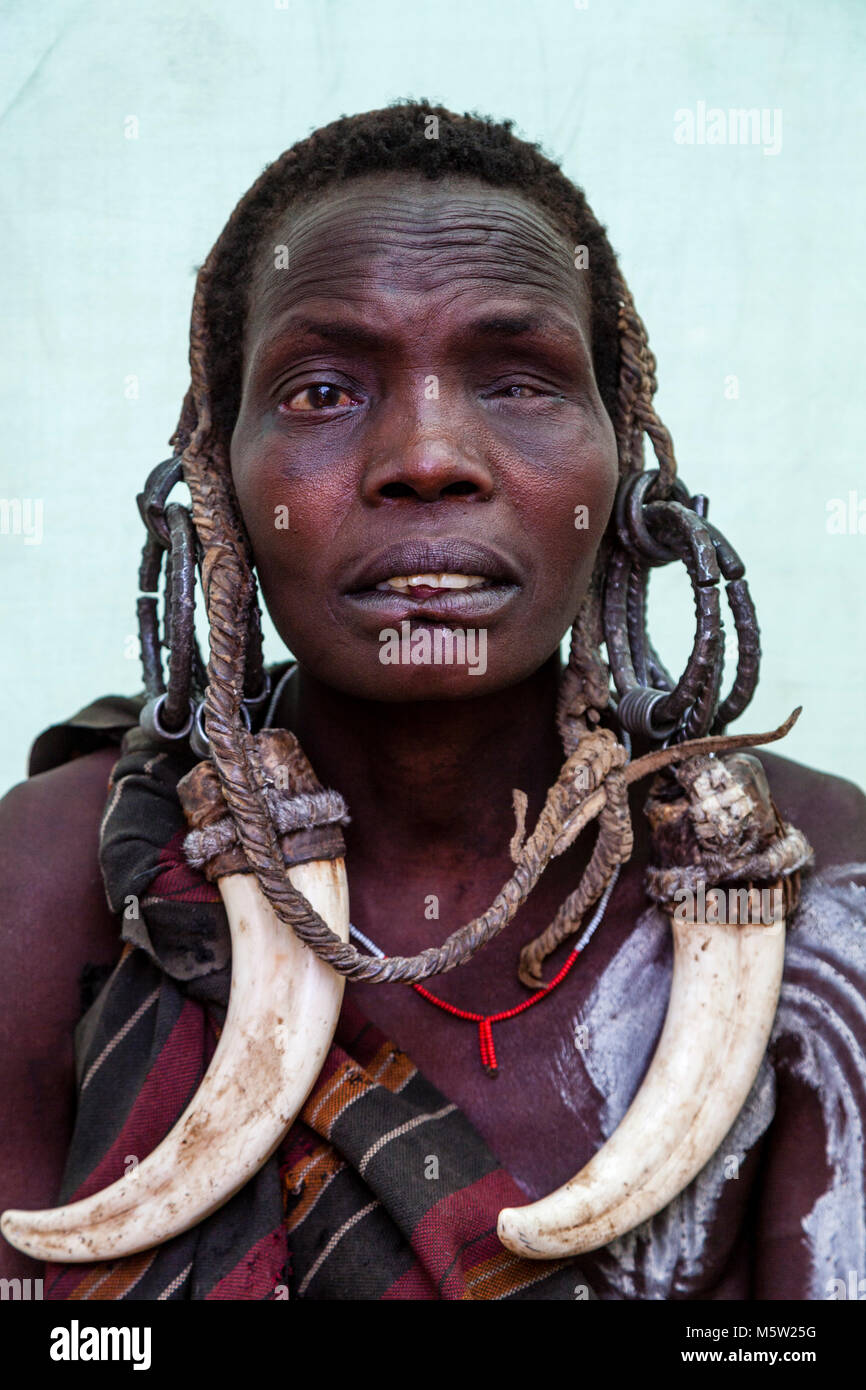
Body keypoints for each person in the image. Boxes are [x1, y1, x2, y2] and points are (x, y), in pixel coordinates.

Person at [1, 101, 865, 1301]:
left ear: (625, 469)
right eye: (318, 391)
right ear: (215, 476)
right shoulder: (55, 878)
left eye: (518, 382)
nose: (425, 455)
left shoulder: (814, 885)